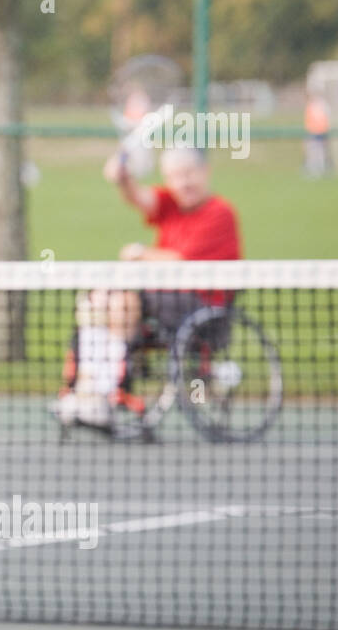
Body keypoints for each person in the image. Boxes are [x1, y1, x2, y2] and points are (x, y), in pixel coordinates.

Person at [55, 143, 242, 428]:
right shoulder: (171, 204)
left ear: (205, 172)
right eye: (176, 176)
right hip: (162, 299)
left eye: (190, 173)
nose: (184, 182)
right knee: (98, 299)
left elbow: (182, 263)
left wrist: (140, 253)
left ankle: (110, 392)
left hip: (201, 307)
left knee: (122, 300)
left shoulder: (220, 213)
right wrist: (122, 178)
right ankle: (86, 391)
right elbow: (138, 197)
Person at [303, 92, 331, 178]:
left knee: (319, 152)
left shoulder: (321, 106)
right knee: (314, 151)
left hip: (319, 132)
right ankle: (315, 169)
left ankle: (319, 170)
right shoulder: (312, 106)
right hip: (313, 132)